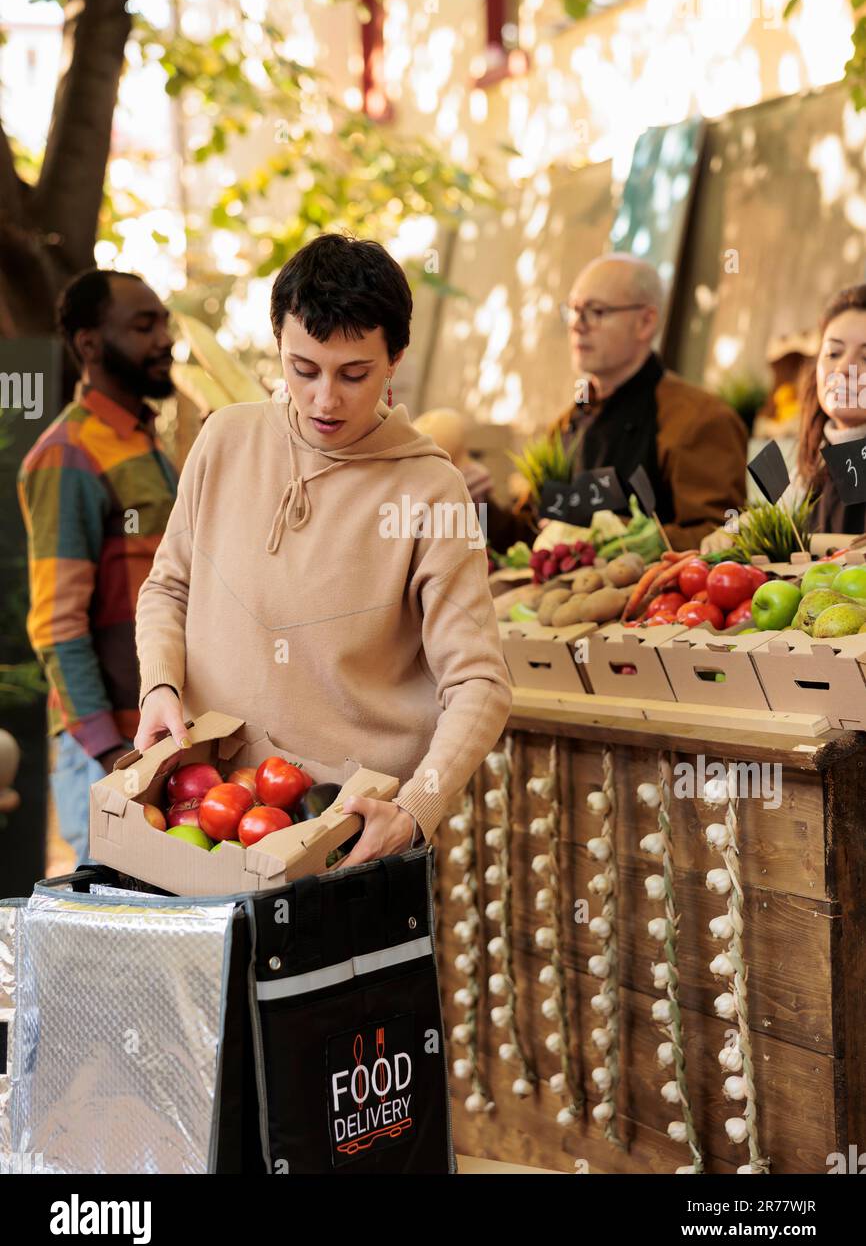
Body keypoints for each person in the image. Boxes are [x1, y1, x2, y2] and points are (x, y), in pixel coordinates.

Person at [134, 234, 512, 860]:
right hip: (201, 811)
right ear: (279, 346)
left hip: (346, 830)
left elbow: (479, 683)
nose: (324, 399)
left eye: (354, 373)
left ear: (395, 358)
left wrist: (415, 809)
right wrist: (159, 690)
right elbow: (169, 588)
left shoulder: (432, 491)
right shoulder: (224, 441)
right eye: (302, 369)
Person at [18, 270, 178, 865]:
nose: (164, 339)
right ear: (89, 344)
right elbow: (57, 625)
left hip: (158, 749)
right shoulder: (67, 455)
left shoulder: (146, 444)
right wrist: (112, 757)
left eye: (164, 322)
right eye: (143, 326)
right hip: (111, 762)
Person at [481, 253, 748, 553]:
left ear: (645, 322)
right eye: (573, 310)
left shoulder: (699, 420)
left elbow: (719, 535)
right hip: (559, 598)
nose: (577, 326)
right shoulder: (568, 423)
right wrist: (475, 502)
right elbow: (532, 535)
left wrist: (610, 536)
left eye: (596, 311)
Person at [703, 284, 866, 553]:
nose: (842, 369)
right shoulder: (814, 461)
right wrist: (735, 530)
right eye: (834, 353)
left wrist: (800, 541)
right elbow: (782, 517)